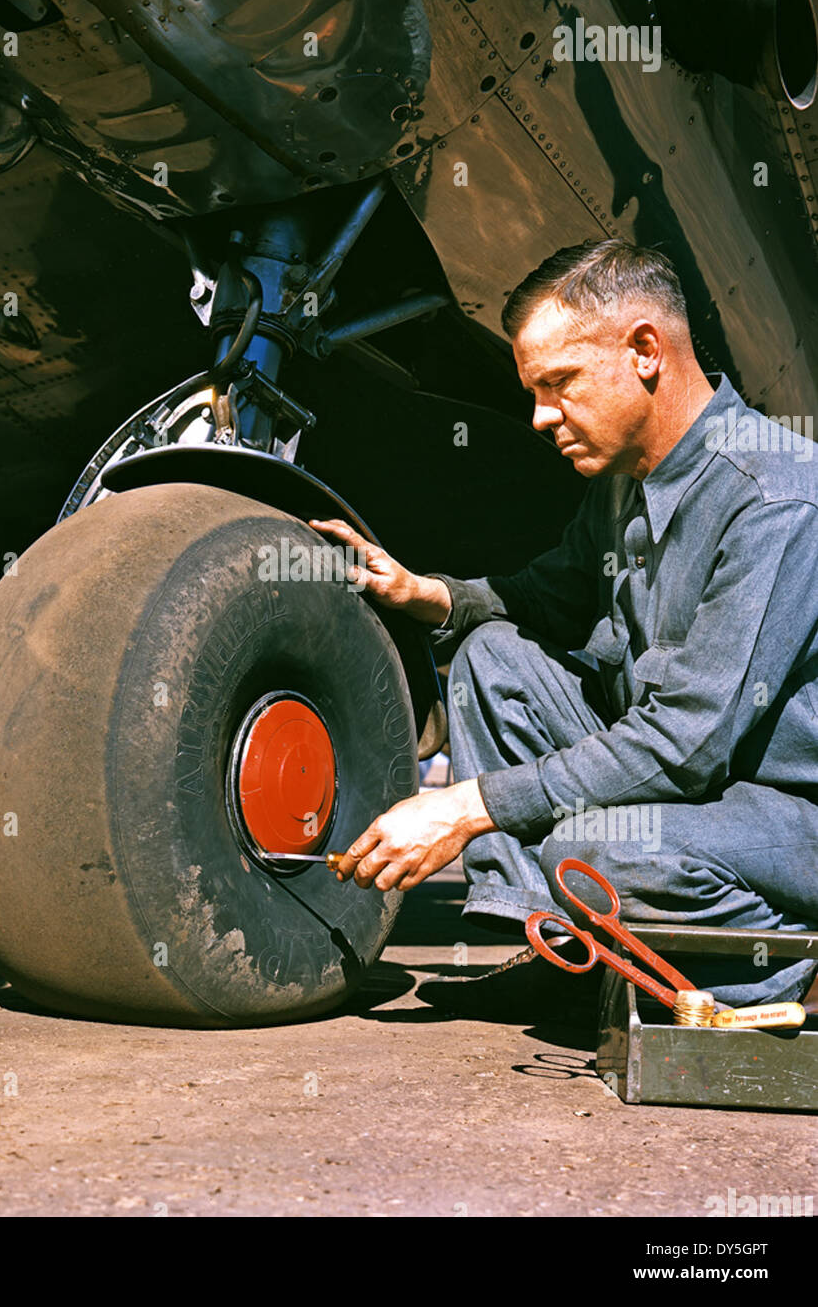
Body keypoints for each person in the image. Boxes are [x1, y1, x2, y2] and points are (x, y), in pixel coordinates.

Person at [310, 239, 818, 1010]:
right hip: (706, 792)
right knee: (492, 656)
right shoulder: (625, 483)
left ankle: (769, 970)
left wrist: (465, 806)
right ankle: (563, 953)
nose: (541, 417)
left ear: (643, 350)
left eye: (558, 384)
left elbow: (684, 747)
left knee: (596, 854)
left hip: (789, 818)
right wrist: (427, 594)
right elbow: (539, 601)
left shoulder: (774, 498)